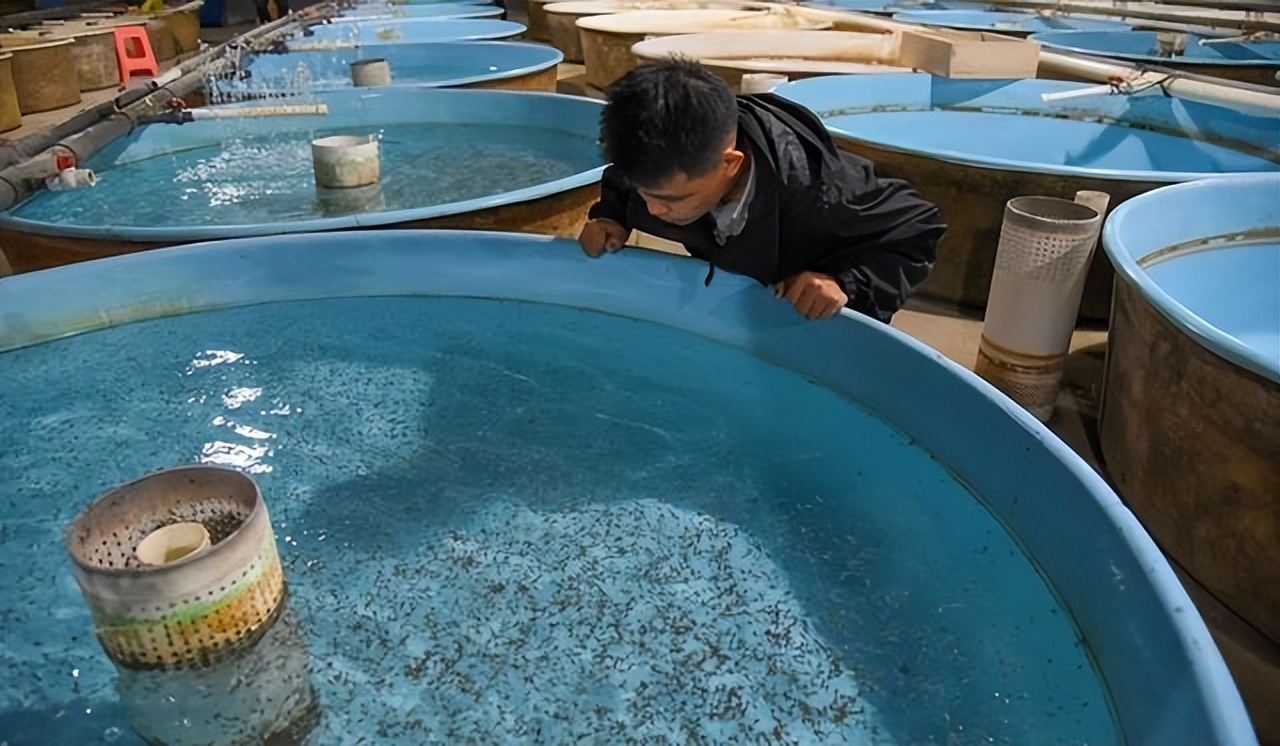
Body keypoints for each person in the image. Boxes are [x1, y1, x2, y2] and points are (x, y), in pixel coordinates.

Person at [578, 58, 946, 323]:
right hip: (749, 278)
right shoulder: (660, 162)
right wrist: (611, 215)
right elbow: (622, 180)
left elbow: (918, 228)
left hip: (812, 314)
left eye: (673, 199)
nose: (653, 210)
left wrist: (847, 282)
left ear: (730, 163)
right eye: (644, 193)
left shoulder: (824, 190)